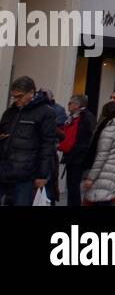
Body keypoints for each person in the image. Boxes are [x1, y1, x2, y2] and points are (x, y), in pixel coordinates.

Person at [0, 76, 60, 206]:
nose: (16, 100)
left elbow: (47, 145)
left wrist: (42, 175)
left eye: (19, 96)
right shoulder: (9, 112)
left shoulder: (45, 113)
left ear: (31, 93)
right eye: (14, 96)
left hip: (26, 174)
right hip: (4, 170)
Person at [81, 102, 115, 207]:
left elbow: (101, 156)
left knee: (99, 199)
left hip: (103, 172)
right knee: (107, 199)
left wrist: (90, 178)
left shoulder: (108, 130)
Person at [60, 95, 96, 207]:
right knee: (71, 185)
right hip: (72, 155)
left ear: (77, 105)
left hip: (78, 156)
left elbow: (86, 137)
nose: (68, 105)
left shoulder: (85, 117)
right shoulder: (73, 117)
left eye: (70, 103)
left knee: (73, 185)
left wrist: (76, 150)